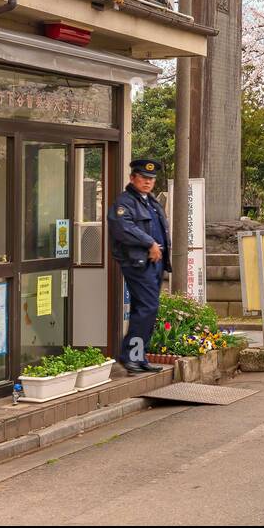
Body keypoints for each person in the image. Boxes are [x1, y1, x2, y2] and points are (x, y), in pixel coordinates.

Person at [109, 158, 171, 373]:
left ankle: (138, 357)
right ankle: (130, 356)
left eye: (151, 179)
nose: (147, 182)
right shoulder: (124, 202)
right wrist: (150, 243)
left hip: (154, 263)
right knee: (148, 308)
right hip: (138, 263)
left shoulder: (151, 202)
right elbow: (122, 228)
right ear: (132, 178)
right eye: (143, 178)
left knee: (143, 309)